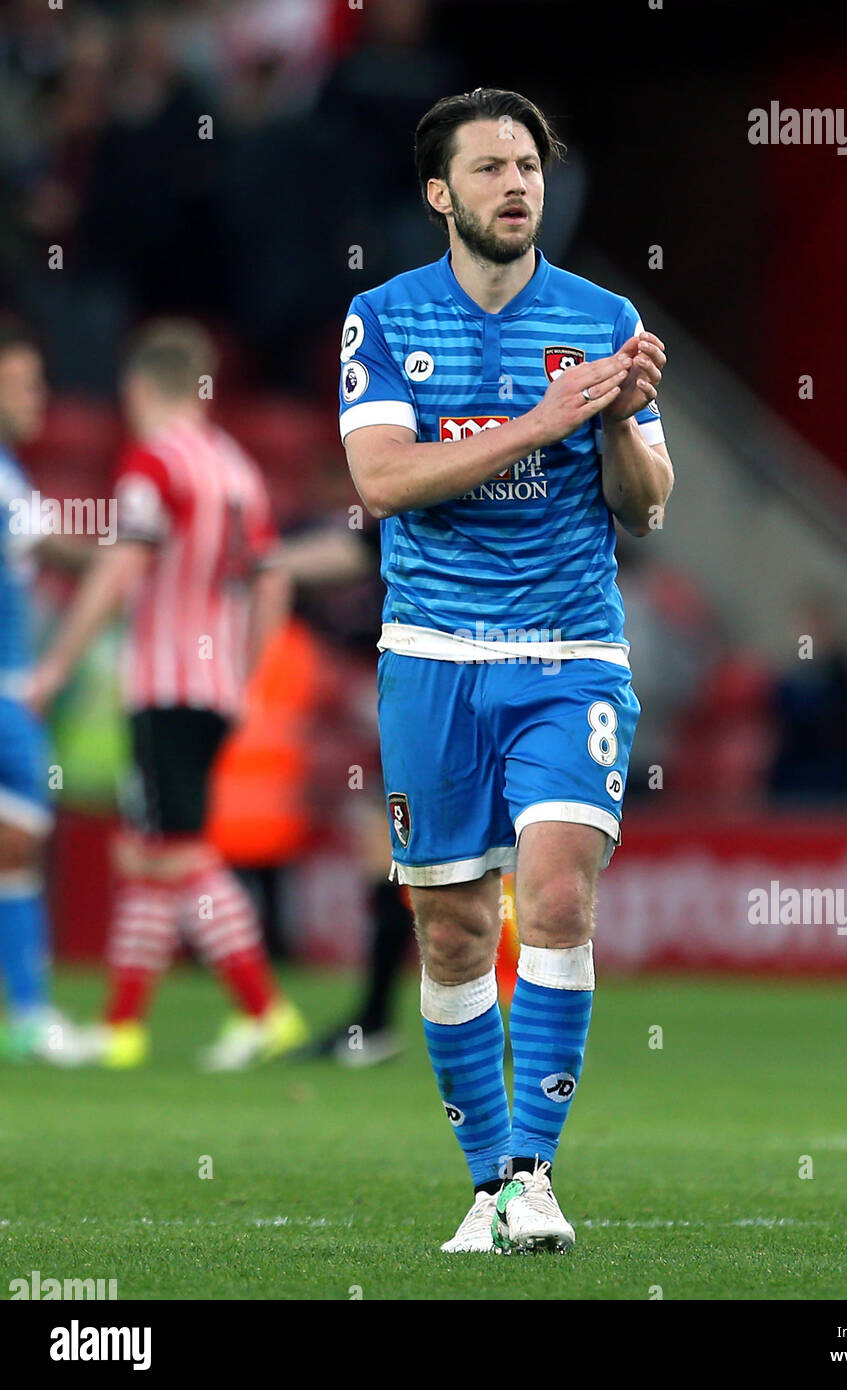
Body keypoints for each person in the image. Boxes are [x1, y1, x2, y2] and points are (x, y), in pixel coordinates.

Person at [338, 88, 672, 1253]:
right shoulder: (381, 318)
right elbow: (380, 481)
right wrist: (541, 425)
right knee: (450, 933)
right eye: (487, 169)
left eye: (526, 165)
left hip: (570, 650)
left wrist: (621, 421)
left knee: (560, 895)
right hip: (432, 656)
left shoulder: (602, 316)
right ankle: (484, 1185)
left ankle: (534, 1172)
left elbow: (646, 509)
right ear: (441, 194)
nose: (514, 185)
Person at [28, 319, 307, 1070]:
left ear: (138, 386)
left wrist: (56, 664)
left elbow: (120, 569)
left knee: (176, 853)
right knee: (146, 849)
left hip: (163, 684)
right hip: (213, 686)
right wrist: (245, 676)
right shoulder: (236, 466)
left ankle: (264, 1009)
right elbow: (273, 578)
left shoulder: (155, 464)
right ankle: (121, 1029)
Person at [0, 320, 89, 1063]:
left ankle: (30, 1014)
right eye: (24, 383)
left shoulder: (11, 474)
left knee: (17, 850)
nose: (40, 397)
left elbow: (50, 545)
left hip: (14, 694)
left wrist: (129, 553)